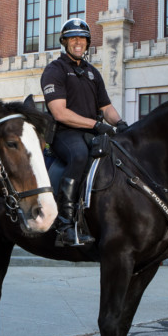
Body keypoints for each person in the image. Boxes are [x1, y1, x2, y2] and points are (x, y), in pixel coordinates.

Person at [40, 18, 127, 247]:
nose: (78, 42)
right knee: (79, 155)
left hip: (90, 133)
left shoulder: (92, 73)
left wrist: (121, 123)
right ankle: (65, 224)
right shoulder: (54, 70)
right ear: (64, 42)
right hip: (65, 134)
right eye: (73, 38)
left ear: (87, 43)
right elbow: (59, 112)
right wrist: (96, 125)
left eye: (82, 38)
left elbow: (106, 107)